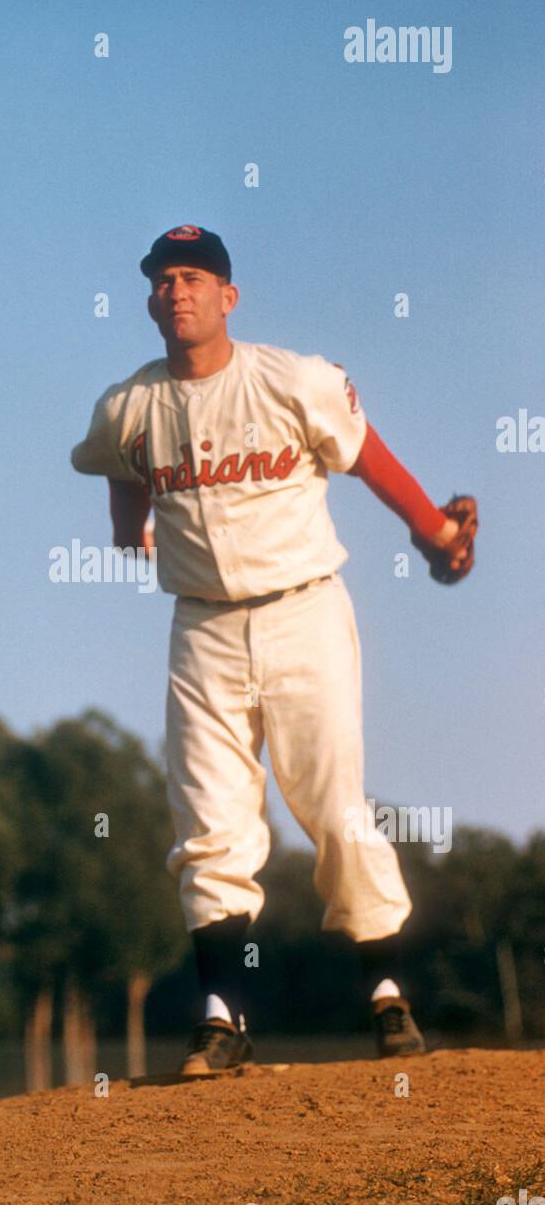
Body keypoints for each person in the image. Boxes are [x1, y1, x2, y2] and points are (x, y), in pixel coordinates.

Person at [71, 225, 474, 1075]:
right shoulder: (128, 407)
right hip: (203, 630)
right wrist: (127, 530)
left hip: (303, 612)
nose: (174, 290)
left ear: (228, 295)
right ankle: (222, 1016)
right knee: (209, 823)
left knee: (331, 806)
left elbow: (367, 458)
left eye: (193, 276)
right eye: (161, 279)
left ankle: (386, 994)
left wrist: (435, 530)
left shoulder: (294, 380)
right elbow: (120, 470)